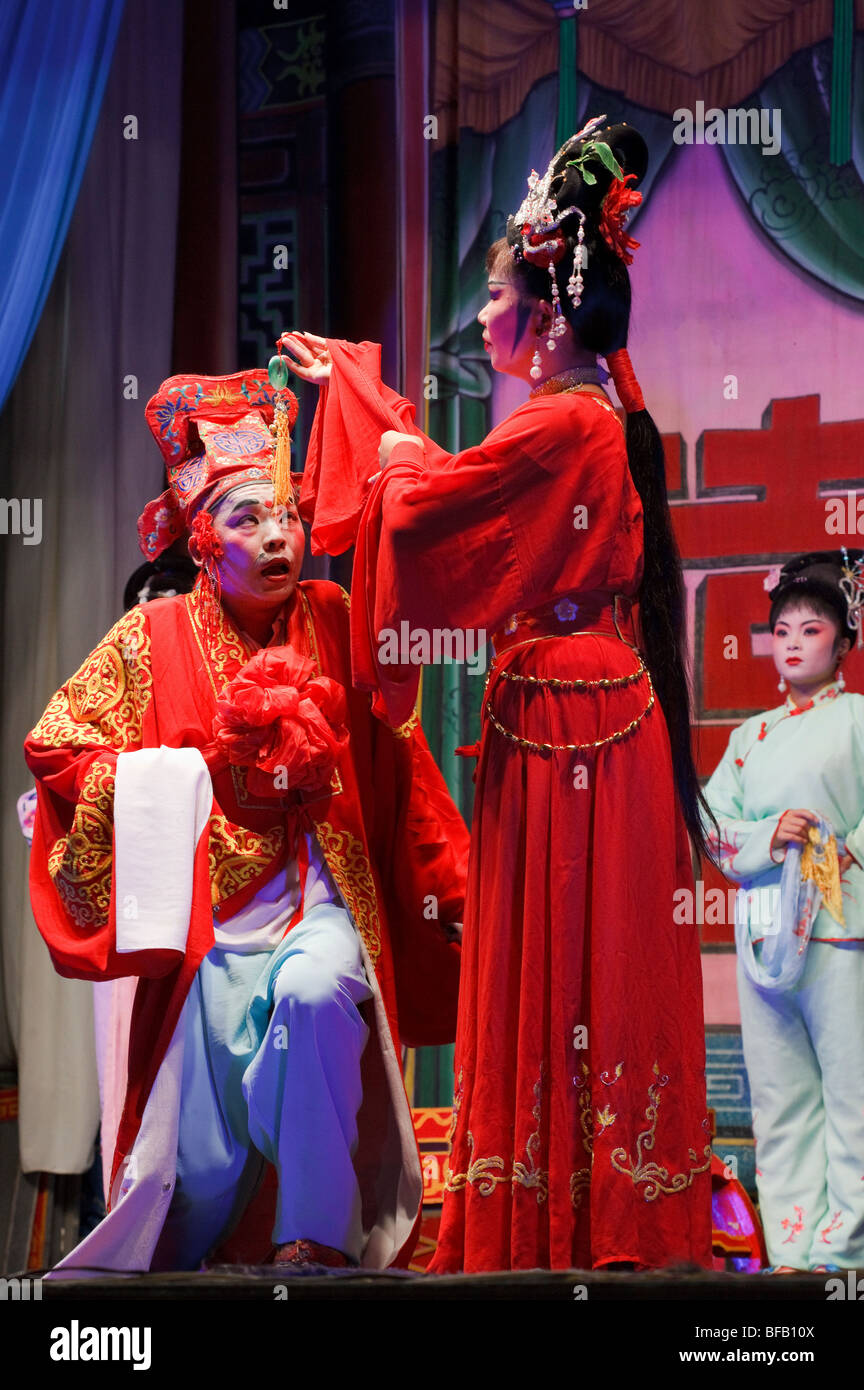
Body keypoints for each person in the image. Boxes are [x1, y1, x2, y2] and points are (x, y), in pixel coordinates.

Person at [281, 117, 713, 1271]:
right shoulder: (583, 416)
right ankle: (564, 1211)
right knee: (560, 963)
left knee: (576, 962)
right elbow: (440, 493)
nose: (481, 319)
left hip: (576, 718)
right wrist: (365, 398)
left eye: (495, 297)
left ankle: (573, 1218)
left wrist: (366, 405)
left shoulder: (567, 425)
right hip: (570, 707)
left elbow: (421, 511)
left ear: (552, 310)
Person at [24, 368, 468, 1274]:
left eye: (287, 517)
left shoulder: (338, 619)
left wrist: (354, 384)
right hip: (207, 925)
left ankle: (315, 1240)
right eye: (246, 521)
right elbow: (60, 743)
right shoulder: (150, 639)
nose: (277, 538)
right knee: (196, 1168)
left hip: (320, 900)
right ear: (200, 541)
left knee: (317, 996)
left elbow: (410, 577)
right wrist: (174, 779)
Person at [704, 550, 864, 1271]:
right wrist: (768, 835)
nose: (795, 640)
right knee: (780, 1097)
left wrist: (846, 846)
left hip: (840, 926)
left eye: (814, 627)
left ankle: (847, 1247)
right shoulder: (749, 738)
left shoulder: (858, 719)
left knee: (852, 1093)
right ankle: (794, 1247)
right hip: (766, 931)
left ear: (844, 642)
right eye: (784, 628)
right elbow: (709, 825)